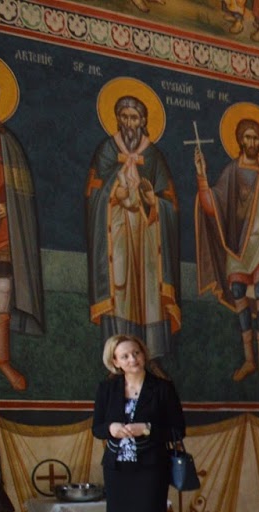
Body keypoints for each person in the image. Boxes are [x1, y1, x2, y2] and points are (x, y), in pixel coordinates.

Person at [194, 116, 259, 390]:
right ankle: (249, 360)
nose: (252, 142)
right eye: (247, 137)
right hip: (237, 247)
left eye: (256, 138)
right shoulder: (231, 172)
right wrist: (202, 175)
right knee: (239, 295)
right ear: (240, 140)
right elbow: (211, 207)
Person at [91, 335, 185, 512]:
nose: (133, 359)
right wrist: (111, 428)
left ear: (144, 354)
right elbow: (97, 427)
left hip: (151, 468)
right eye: (125, 356)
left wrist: (147, 428)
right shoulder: (107, 388)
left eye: (136, 353)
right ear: (115, 362)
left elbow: (178, 429)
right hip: (118, 469)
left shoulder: (162, 388)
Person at [86, 92, 181, 362]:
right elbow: (93, 192)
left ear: (143, 121)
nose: (129, 123)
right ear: (117, 119)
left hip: (148, 234)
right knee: (120, 291)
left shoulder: (154, 156)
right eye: (124, 117)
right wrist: (114, 192)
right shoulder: (107, 150)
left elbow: (169, 201)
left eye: (134, 117)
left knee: (150, 292)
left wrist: (153, 202)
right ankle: (118, 358)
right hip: (115, 230)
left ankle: (151, 357)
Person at [0, 65, 44, 393]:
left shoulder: (4, 141)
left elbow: (21, 191)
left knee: (2, 289)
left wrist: (8, 207)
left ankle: (3, 360)